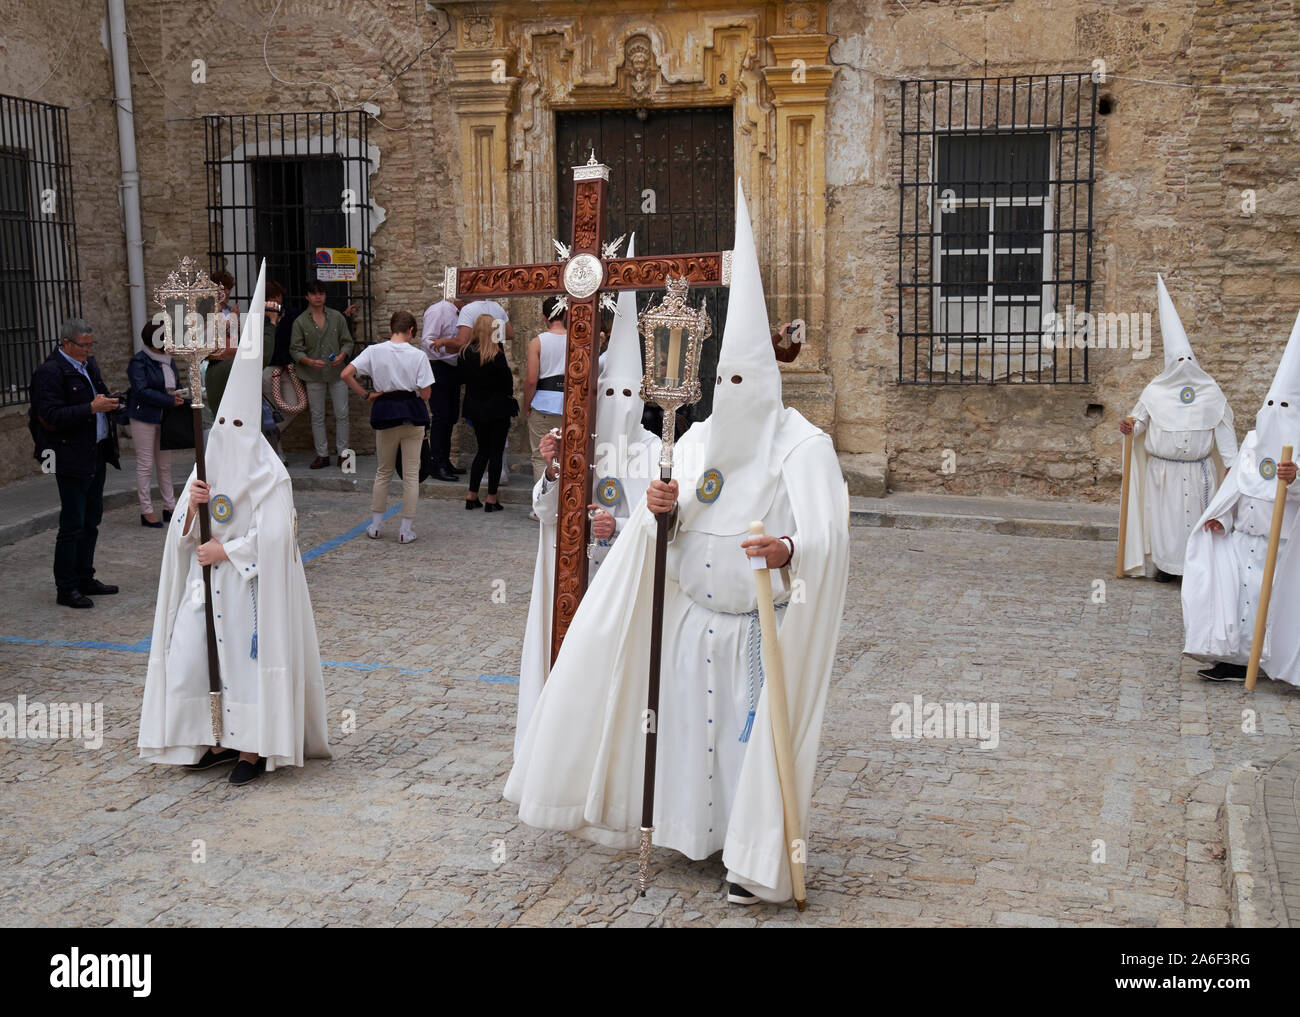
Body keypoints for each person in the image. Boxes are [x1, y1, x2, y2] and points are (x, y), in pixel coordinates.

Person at [506, 182, 850, 906]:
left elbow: (827, 533)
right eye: (724, 380)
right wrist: (660, 509)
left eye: (744, 379)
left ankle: (752, 852)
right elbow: (666, 525)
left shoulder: (804, 447)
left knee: (749, 744)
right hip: (693, 622)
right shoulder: (694, 441)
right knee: (694, 738)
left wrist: (790, 548)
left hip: (762, 628)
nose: (734, 391)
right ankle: (693, 833)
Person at [138, 265, 331, 785]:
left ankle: (251, 749)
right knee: (192, 654)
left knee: (245, 667)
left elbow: (278, 534)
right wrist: (190, 508)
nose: (230, 432)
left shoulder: (271, 475)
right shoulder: (212, 461)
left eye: (239, 425)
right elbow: (183, 527)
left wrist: (228, 552)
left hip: (249, 588)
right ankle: (210, 736)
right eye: (225, 424)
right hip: (205, 588)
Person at [517, 235, 659, 754]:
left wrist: (616, 528)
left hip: (621, 585)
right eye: (608, 394)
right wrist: (553, 471)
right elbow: (542, 511)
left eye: (627, 394)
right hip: (570, 579)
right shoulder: (580, 441)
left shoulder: (651, 449)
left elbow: (662, 523)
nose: (617, 403)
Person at [1184, 307, 1300, 684]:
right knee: (1239, 605)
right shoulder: (1252, 444)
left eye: (1284, 407)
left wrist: (1295, 479)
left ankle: (1274, 663)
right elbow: (1235, 488)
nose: (1275, 412)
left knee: (1277, 609)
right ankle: (1235, 660)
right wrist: (1224, 517)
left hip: (1282, 546)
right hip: (1243, 543)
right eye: (1271, 406)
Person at [1120, 276, 1238, 581]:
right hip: (1164, 472)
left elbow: (1223, 430)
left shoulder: (1211, 392)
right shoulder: (1155, 391)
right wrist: (1130, 427)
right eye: (1179, 359)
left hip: (1198, 470)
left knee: (1196, 520)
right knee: (1166, 522)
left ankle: (1196, 569)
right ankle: (1166, 567)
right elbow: (1140, 420)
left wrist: (1231, 464)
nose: (1184, 365)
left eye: (1189, 359)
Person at [29, 318, 122, 609]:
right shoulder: (50, 372)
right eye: (83, 345)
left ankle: (85, 577)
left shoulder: (88, 366)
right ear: (67, 343)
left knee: (91, 520)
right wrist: (90, 408)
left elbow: (99, 396)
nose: (88, 350)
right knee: (72, 523)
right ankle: (66, 587)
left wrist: (112, 402)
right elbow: (49, 415)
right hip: (68, 455)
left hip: (94, 452)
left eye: (90, 345)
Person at [341, 310, 433, 544]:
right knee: (411, 474)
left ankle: (376, 525)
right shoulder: (418, 356)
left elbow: (346, 373)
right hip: (412, 413)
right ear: (411, 330)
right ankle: (405, 529)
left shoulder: (374, 351)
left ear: (391, 328)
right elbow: (425, 393)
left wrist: (366, 395)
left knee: (383, 471)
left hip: (385, 411)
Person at [291, 280, 356, 469]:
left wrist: (342, 355)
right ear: (307, 296)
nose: (318, 297)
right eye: (314, 293)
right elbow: (295, 349)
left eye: (321, 293)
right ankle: (322, 454)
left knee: (342, 414)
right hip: (313, 375)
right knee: (317, 415)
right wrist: (309, 361)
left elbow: (348, 342)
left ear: (325, 296)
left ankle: (344, 454)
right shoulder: (300, 321)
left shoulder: (337, 317)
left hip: (337, 373)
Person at [126, 320, 183, 527]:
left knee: (165, 465)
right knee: (145, 464)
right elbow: (140, 390)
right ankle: (146, 510)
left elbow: (176, 383)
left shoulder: (168, 360)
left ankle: (170, 506)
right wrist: (169, 400)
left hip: (165, 417)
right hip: (144, 416)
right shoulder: (139, 362)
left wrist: (180, 395)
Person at [460, 313, 516, 511]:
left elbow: (462, 379)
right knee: (496, 452)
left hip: (475, 409)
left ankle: (471, 495)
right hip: (497, 409)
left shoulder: (466, 354)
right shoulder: (497, 356)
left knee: (482, 451)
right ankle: (492, 498)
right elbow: (508, 385)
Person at [421, 296, 467, 481]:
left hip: (453, 369)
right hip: (439, 368)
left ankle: (445, 461)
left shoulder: (459, 313)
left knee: (451, 415)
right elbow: (427, 341)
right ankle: (437, 463)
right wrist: (445, 351)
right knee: (440, 416)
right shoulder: (438, 310)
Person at [524, 296, 568, 483]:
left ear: (544, 317)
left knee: (541, 456)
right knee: (567, 455)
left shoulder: (537, 342)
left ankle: (541, 508)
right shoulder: (577, 340)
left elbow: (532, 380)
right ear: (566, 313)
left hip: (543, 404)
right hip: (569, 404)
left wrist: (526, 404)